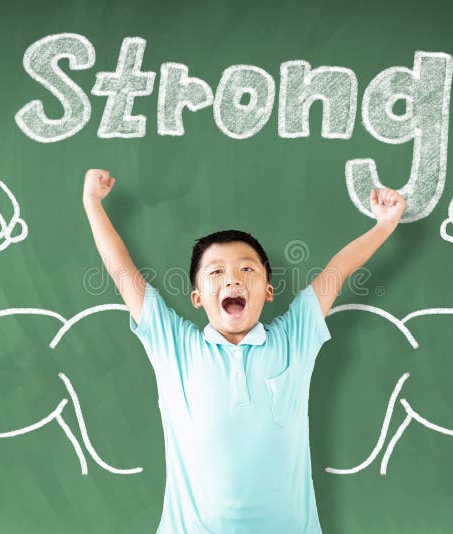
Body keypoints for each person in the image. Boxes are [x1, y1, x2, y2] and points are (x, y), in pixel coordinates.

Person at [83, 168, 406, 533]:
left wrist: (385, 225)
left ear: (269, 290)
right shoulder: (173, 346)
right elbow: (122, 271)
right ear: (197, 296)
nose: (233, 279)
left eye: (247, 269)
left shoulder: (294, 337)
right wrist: (92, 203)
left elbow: (338, 270)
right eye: (216, 273)